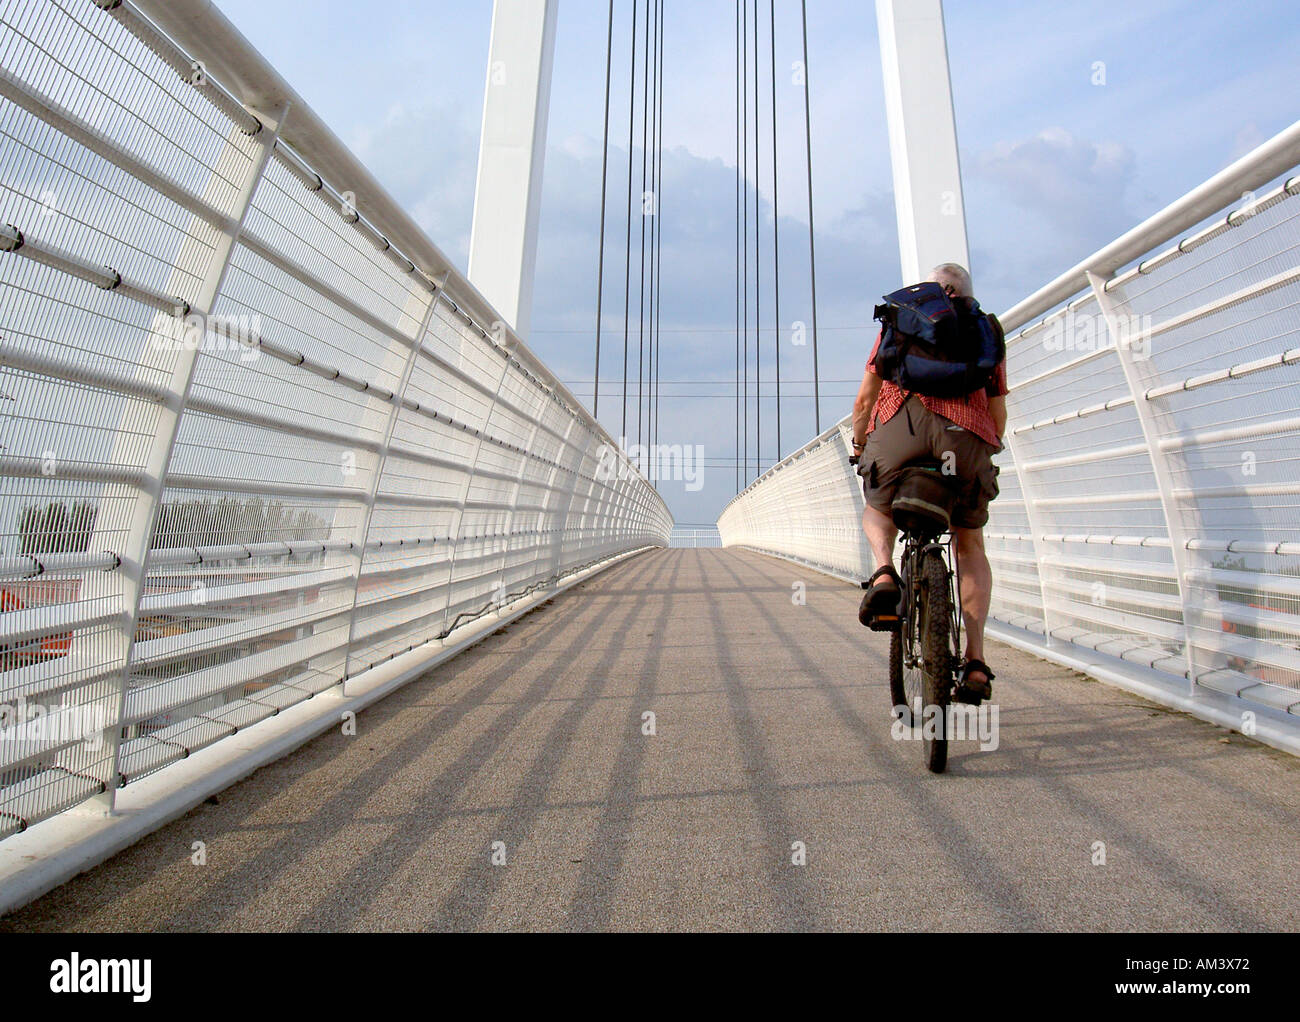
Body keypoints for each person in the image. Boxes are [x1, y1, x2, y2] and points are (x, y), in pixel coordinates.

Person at [850, 263, 1008, 702]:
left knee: (878, 507)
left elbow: (865, 400)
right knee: (969, 543)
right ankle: (975, 662)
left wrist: (861, 445)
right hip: (965, 440)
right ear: (967, 293)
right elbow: (997, 411)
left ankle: (884, 571)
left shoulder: (901, 318)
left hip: (901, 432)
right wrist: (987, 448)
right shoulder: (985, 328)